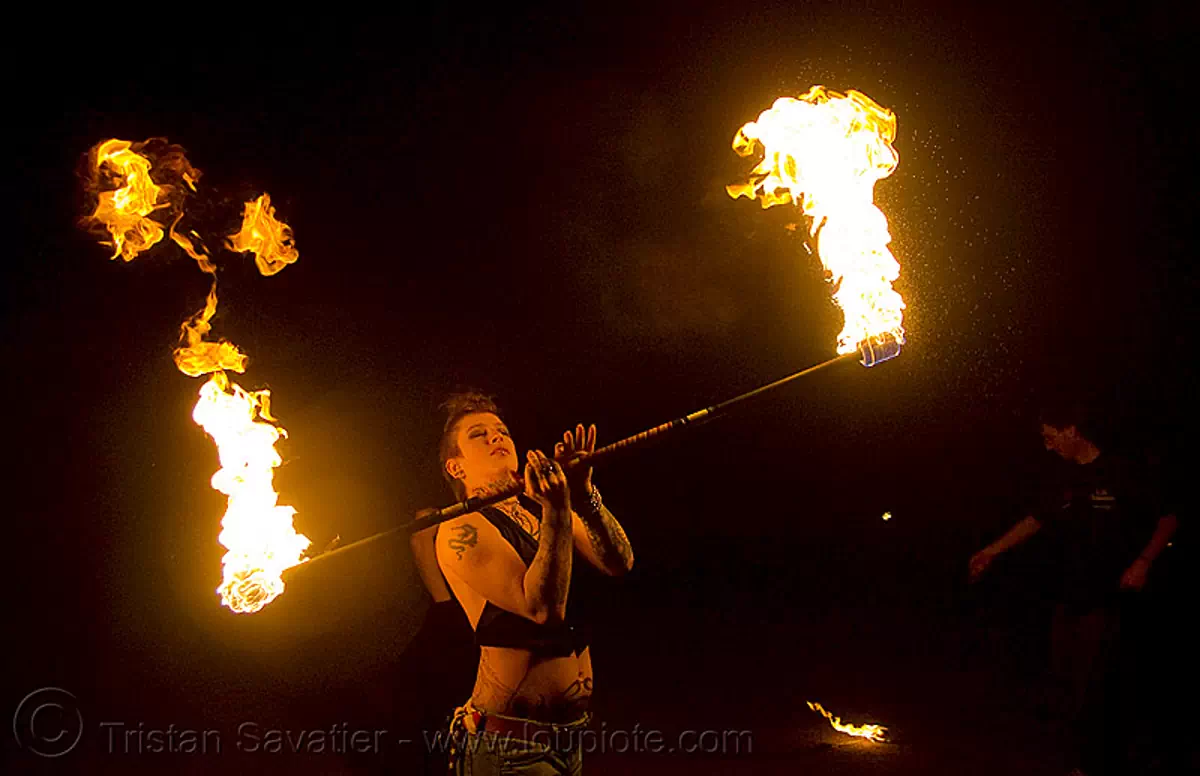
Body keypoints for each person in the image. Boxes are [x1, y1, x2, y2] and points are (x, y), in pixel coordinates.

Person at [969, 402, 1177, 776]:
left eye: (1051, 437)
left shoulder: (1120, 472)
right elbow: (1035, 519)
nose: (1048, 447)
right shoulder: (1063, 479)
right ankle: (1081, 762)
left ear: (1072, 430)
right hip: (1070, 597)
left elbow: (1168, 517)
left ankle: (1100, 763)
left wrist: (1144, 561)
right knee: (1066, 684)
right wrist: (992, 551)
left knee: (1097, 688)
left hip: (1111, 597)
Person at [430, 393, 634, 775]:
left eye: (502, 431)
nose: (497, 438)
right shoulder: (461, 527)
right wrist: (557, 507)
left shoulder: (541, 513)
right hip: (512, 748)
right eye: (479, 435)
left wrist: (583, 494)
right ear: (455, 467)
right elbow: (541, 608)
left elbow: (619, 561)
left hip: (570, 740)